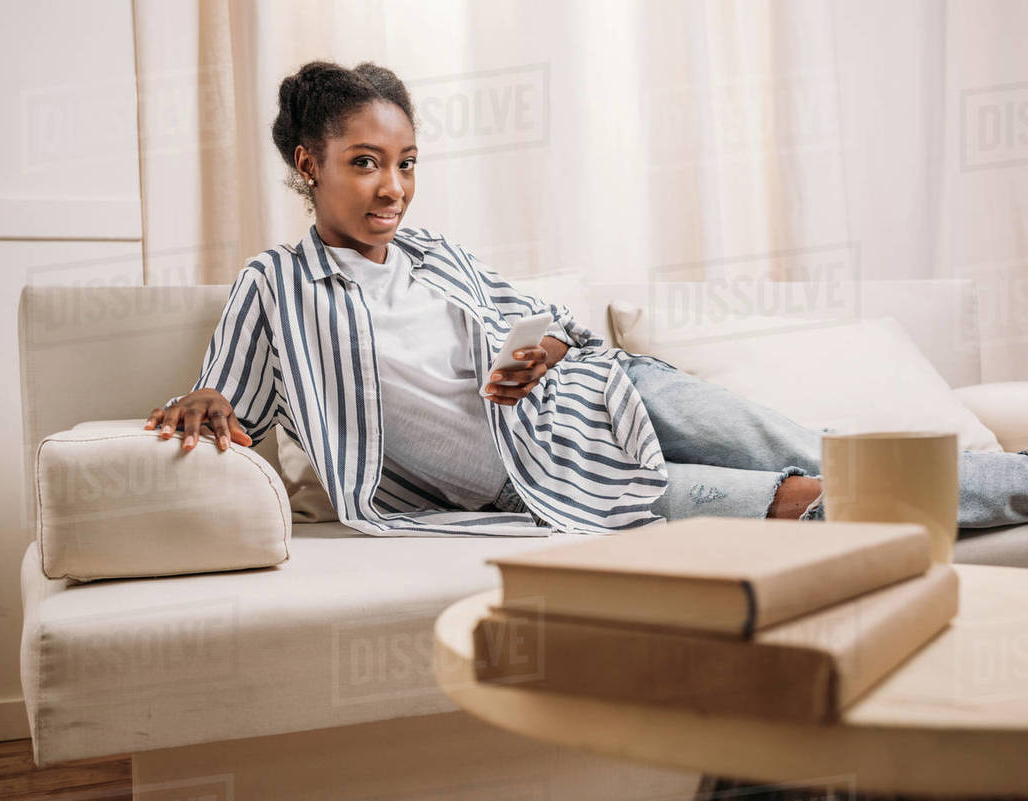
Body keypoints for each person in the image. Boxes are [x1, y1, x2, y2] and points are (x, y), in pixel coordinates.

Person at [145, 60, 1028, 536]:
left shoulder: (436, 254)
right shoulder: (279, 284)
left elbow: (560, 327)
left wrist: (545, 353)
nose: (393, 189)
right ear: (310, 164)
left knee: (836, 455)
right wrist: (206, 403)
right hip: (557, 487)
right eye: (365, 163)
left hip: (610, 393)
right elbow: (231, 403)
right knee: (801, 498)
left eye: (406, 162)